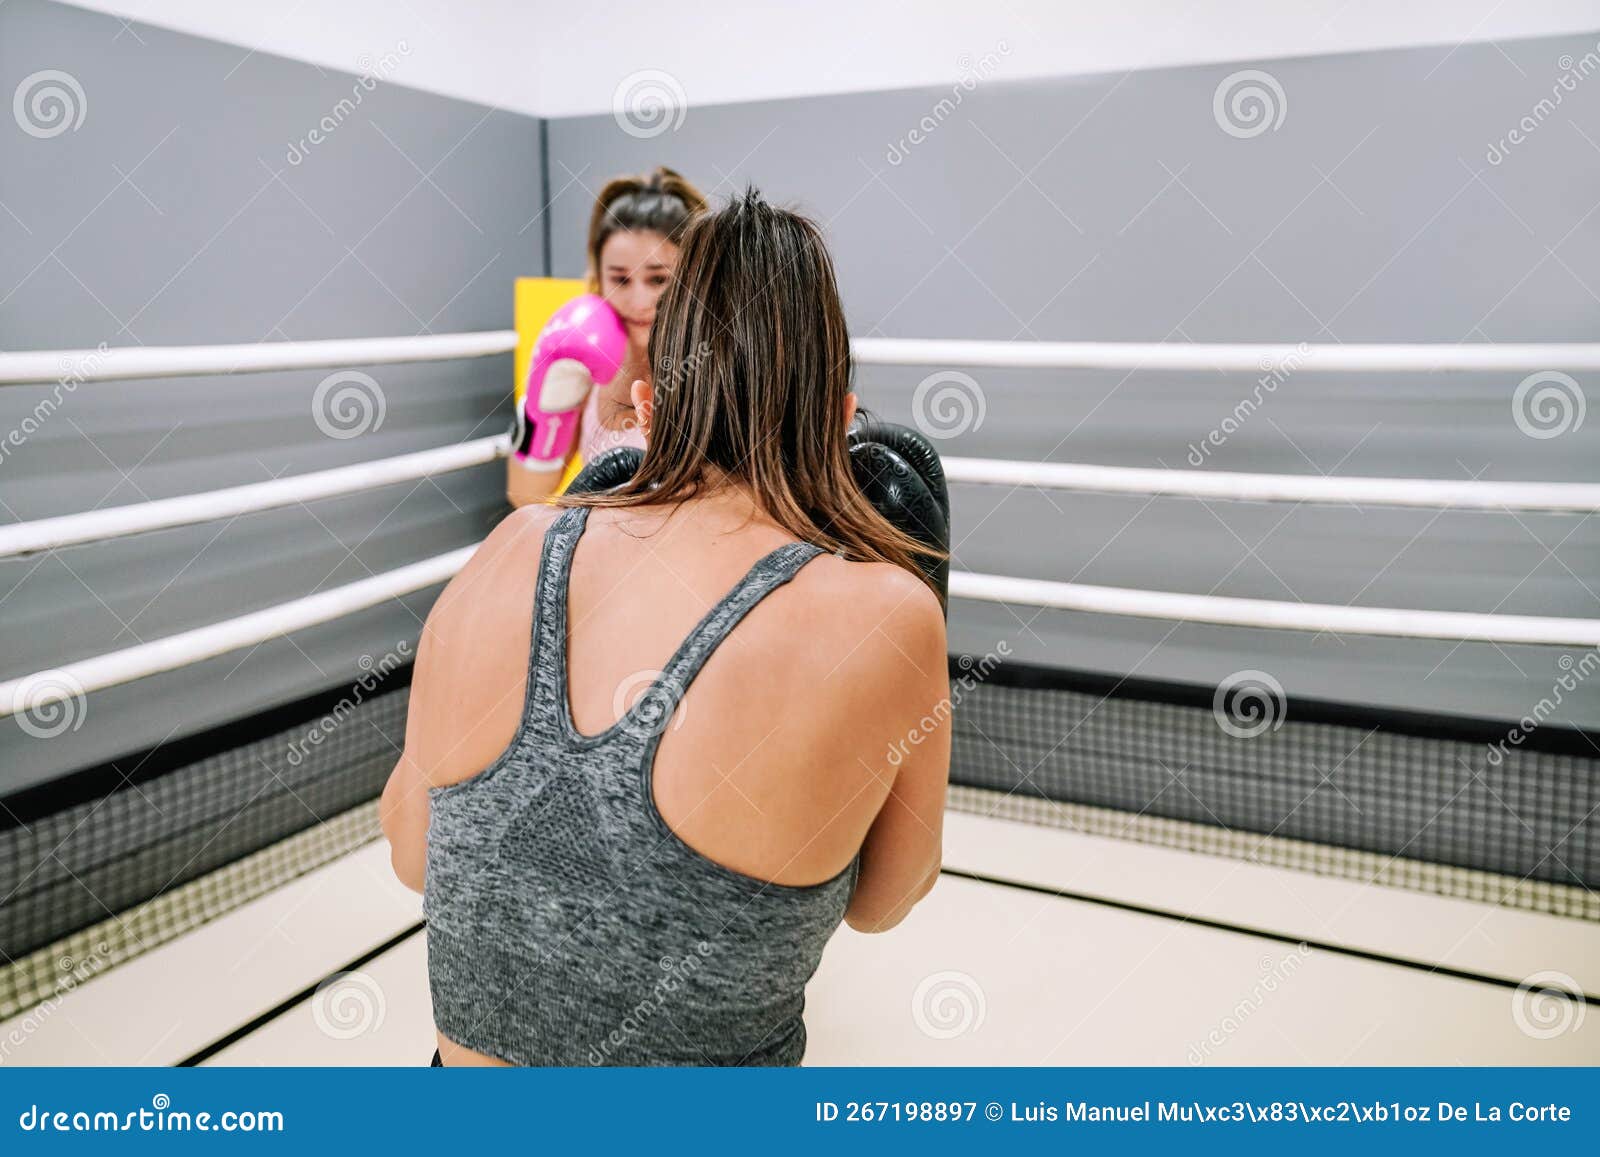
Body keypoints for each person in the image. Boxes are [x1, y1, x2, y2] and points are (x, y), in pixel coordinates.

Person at [382, 189, 951, 1066]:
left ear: (645, 413)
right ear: (842, 419)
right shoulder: (889, 616)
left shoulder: (509, 548)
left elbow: (413, 859)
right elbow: (886, 900)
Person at [506, 166, 707, 507]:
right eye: (621, 280)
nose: (639, 301)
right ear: (598, 277)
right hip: (599, 556)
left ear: (694, 275)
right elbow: (526, 497)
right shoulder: (585, 362)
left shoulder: (713, 366)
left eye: (658, 280)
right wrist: (545, 401)